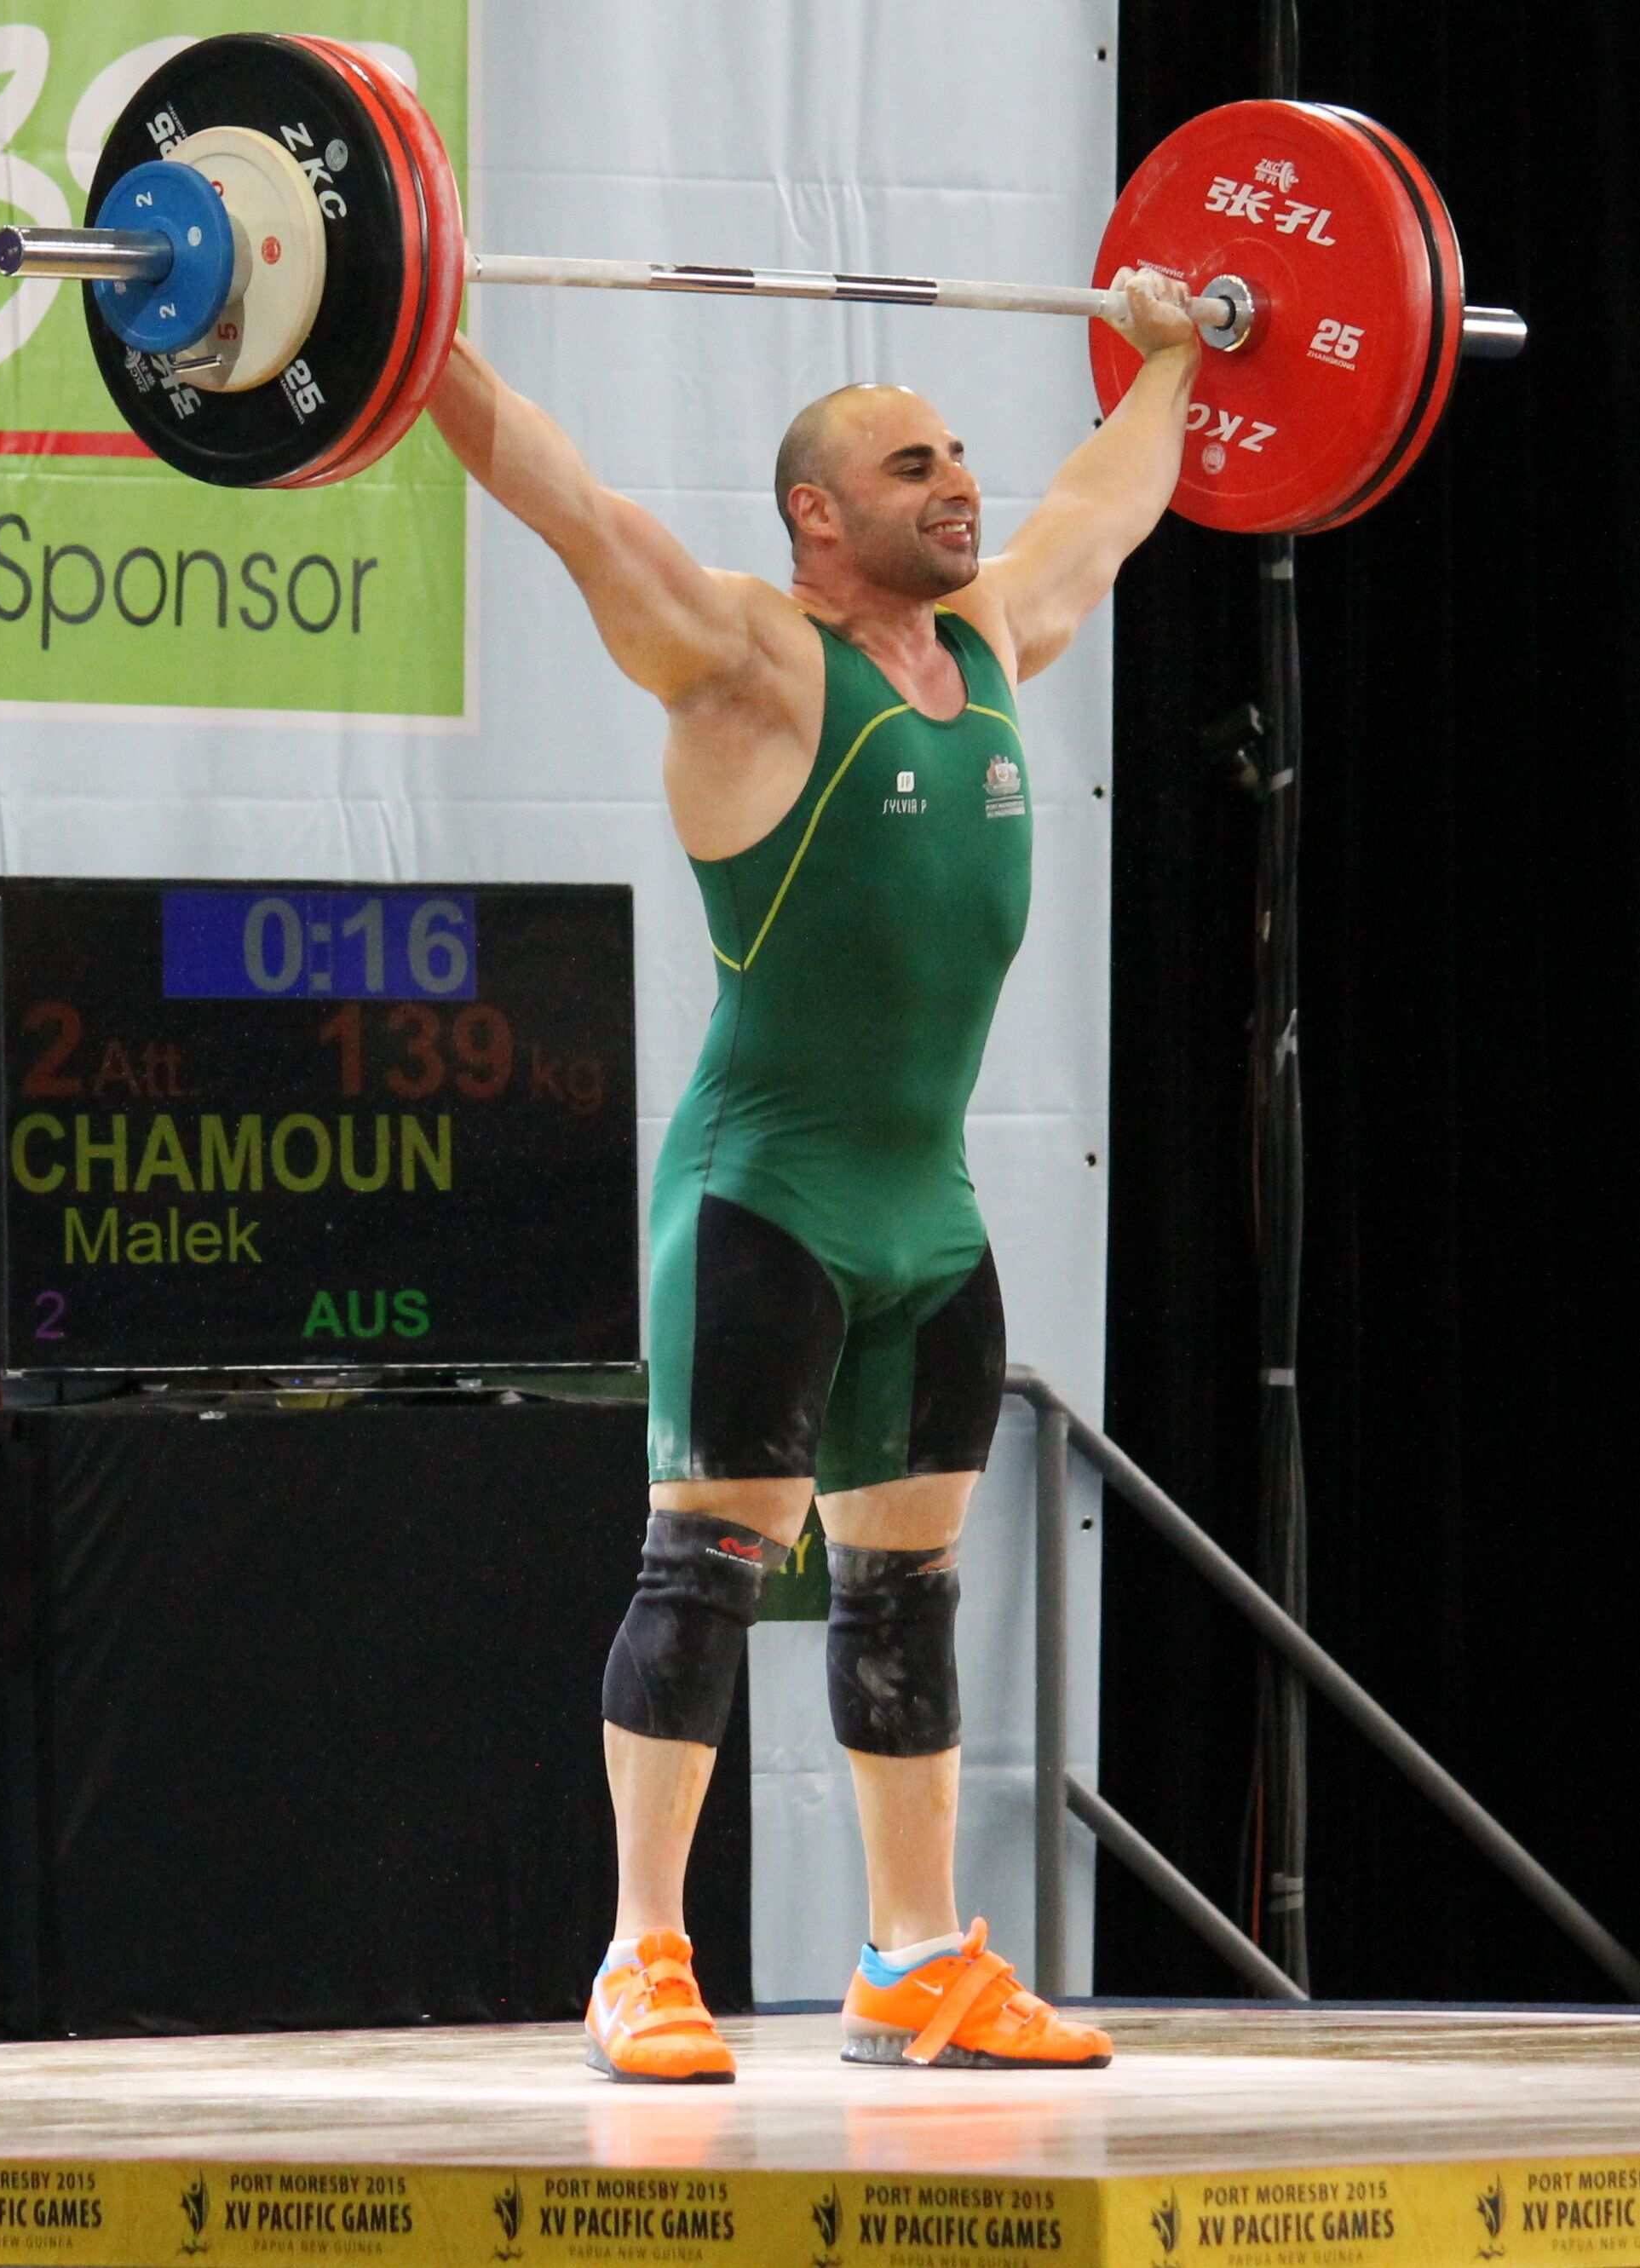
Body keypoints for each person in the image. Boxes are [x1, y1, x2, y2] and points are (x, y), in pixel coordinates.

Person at [429, 263, 1199, 2083]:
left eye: (958, 455)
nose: (961, 482)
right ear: (816, 515)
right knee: (701, 1578)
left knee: (900, 1600)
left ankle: (912, 1961)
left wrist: (1177, 349)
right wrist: (412, 327)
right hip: (762, 1200)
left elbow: (1113, 496)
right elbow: (561, 496)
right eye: (914, 463)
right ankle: (640, 1956)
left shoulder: (1000, 635)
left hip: (927, 1221)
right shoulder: (750, 666)